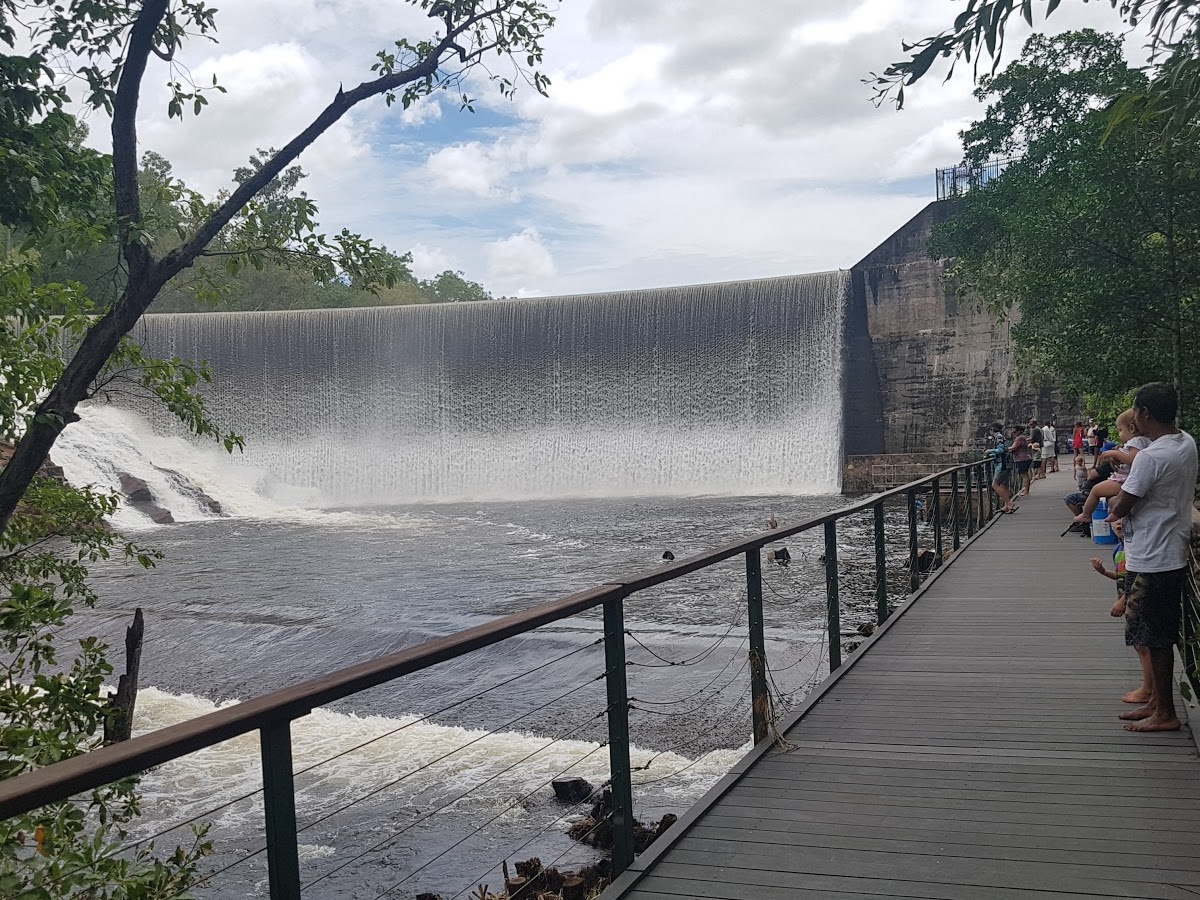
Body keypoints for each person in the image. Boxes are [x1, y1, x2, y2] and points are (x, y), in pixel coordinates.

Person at [1109, 382, 1198, 733]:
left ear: (1145, 413)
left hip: (1153, 554)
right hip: (1168, 546)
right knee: (1154, 631)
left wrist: (1115, 506)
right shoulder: (1186, 442)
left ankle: (1165, 712)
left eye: (1136, 410)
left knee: (1154, 635)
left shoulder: (1151, 456)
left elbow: (1121, 504)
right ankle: (1157, 703)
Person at [1089, 520, 1152, 704]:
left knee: (1142, 644)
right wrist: (1103, 571)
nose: (1118, 524)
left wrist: (1122, 601)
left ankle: (1148, 689)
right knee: (1138, 644)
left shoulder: (1133, 550)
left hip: (1135, 600)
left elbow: (1137, 577)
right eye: (1114, 520)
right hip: (1130, 599)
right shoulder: (1120, 549)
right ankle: (1148, 683)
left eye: (1122, 521)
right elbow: (1122, 576)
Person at [1072, 409, 1151, 524]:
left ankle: (1086, 514)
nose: (1119, 434)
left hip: (1124, 480)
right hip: (1125, 478)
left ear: (1131, 429)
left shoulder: (1136, 441)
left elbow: (1133, 459)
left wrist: (1115, 453)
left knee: (1095, 490)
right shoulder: (1142, 442)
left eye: (1120, 430)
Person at [985, 422, 1016, 513]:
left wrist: (989, 451)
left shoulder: (998, 437)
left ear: (992, 430)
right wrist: (992, 454)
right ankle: (1006, 506)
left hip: (1002, 464)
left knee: (995, 484)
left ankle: (1009, 503)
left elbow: (1001, 449)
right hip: (1006, 463)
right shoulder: (1000, 437)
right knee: (1004, 485)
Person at [1009, 424, 1033, 497]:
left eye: (1015, 432)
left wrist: (1006, 449)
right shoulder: (1021, 438)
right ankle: (1026, 491)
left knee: (1024, 475)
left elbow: (1014, 447)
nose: (1014, 433)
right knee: (1024, 474)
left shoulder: (1020, 438)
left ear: (1019, 431)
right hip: (1024, 458)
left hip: (1022, 458)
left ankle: (1026, 492)